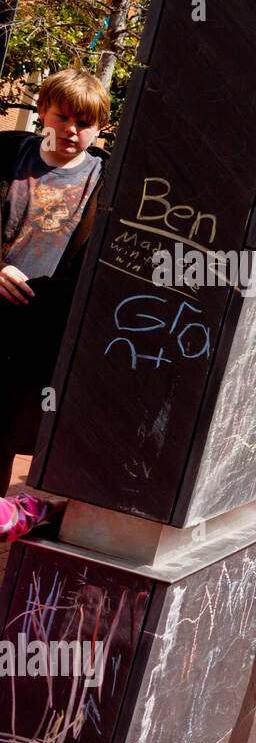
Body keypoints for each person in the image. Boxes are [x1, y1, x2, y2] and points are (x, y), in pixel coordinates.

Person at [0, 69, 111, 493]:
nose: (70, 130)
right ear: (42, 110)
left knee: (29, 431)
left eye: (83, 123)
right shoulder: (7, 155)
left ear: (98, 127)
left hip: (49, 324)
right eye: (62, 116)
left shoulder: (108, 178)